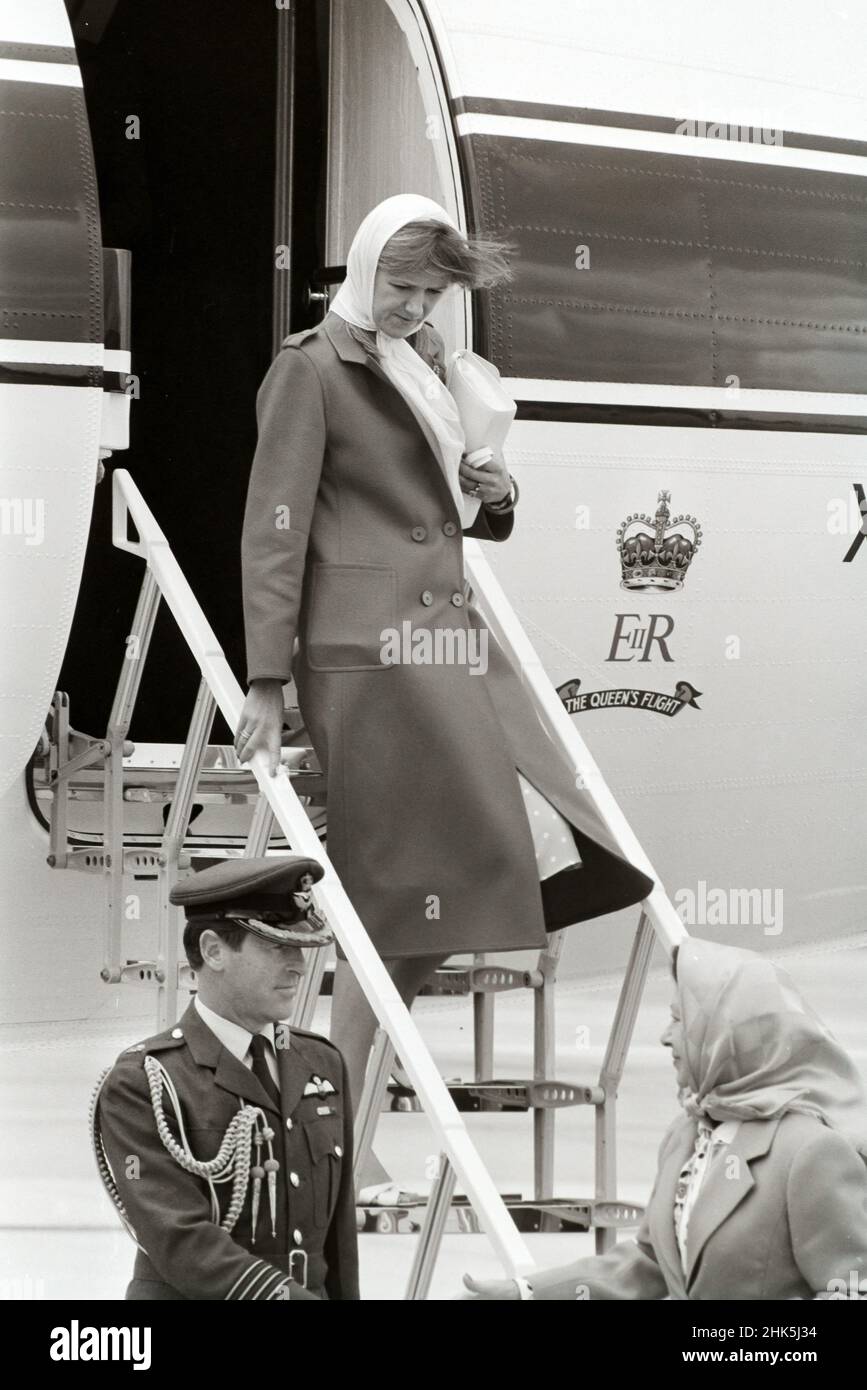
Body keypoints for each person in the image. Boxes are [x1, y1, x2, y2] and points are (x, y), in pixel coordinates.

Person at [235, 192, 653, 1191]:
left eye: (429, 294)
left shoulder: (425, 365)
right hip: (372, 663)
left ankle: (336, 1120)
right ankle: (335, 1129)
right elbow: (274, 527)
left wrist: (496, 493)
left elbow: (454, 509)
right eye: (400, 285)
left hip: (442, 646)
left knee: (445, 893)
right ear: (362, 266)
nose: (414, 306)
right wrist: (263, 675)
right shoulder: (310, 368)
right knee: (393, 902)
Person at [463, 938, 867, 1299]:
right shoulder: (687, 1134)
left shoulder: (811, 1152)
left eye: (679, 1020)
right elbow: (650, 1263)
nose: (665, 1036)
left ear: (726, 1033)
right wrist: (526, 1293)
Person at [92, 856, 359, 1300]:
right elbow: (180, 1240)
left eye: (299, 947)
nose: (298, 965)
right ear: (214, 951)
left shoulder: (321, 1063)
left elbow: (337, 1240)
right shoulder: (144, 1081)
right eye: (277, 947)